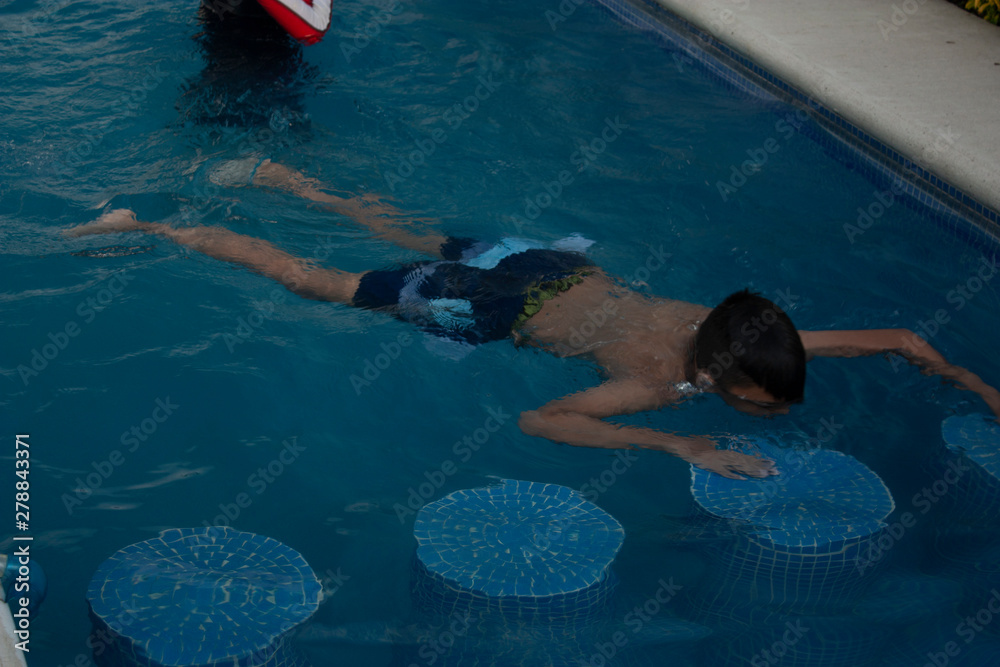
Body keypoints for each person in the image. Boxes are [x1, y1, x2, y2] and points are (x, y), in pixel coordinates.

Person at [67, 158, 1000, 479]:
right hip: (495, 305)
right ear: (717, 378)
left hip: (547, 262)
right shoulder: (652, 384)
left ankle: (283, 176)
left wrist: (972, 383)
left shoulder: (749, 330)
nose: (776, 409)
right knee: (320, 283)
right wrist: (675, 448)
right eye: (762, 404)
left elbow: (901, 338)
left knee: (403, 227)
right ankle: (143, 223)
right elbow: (537, 418)